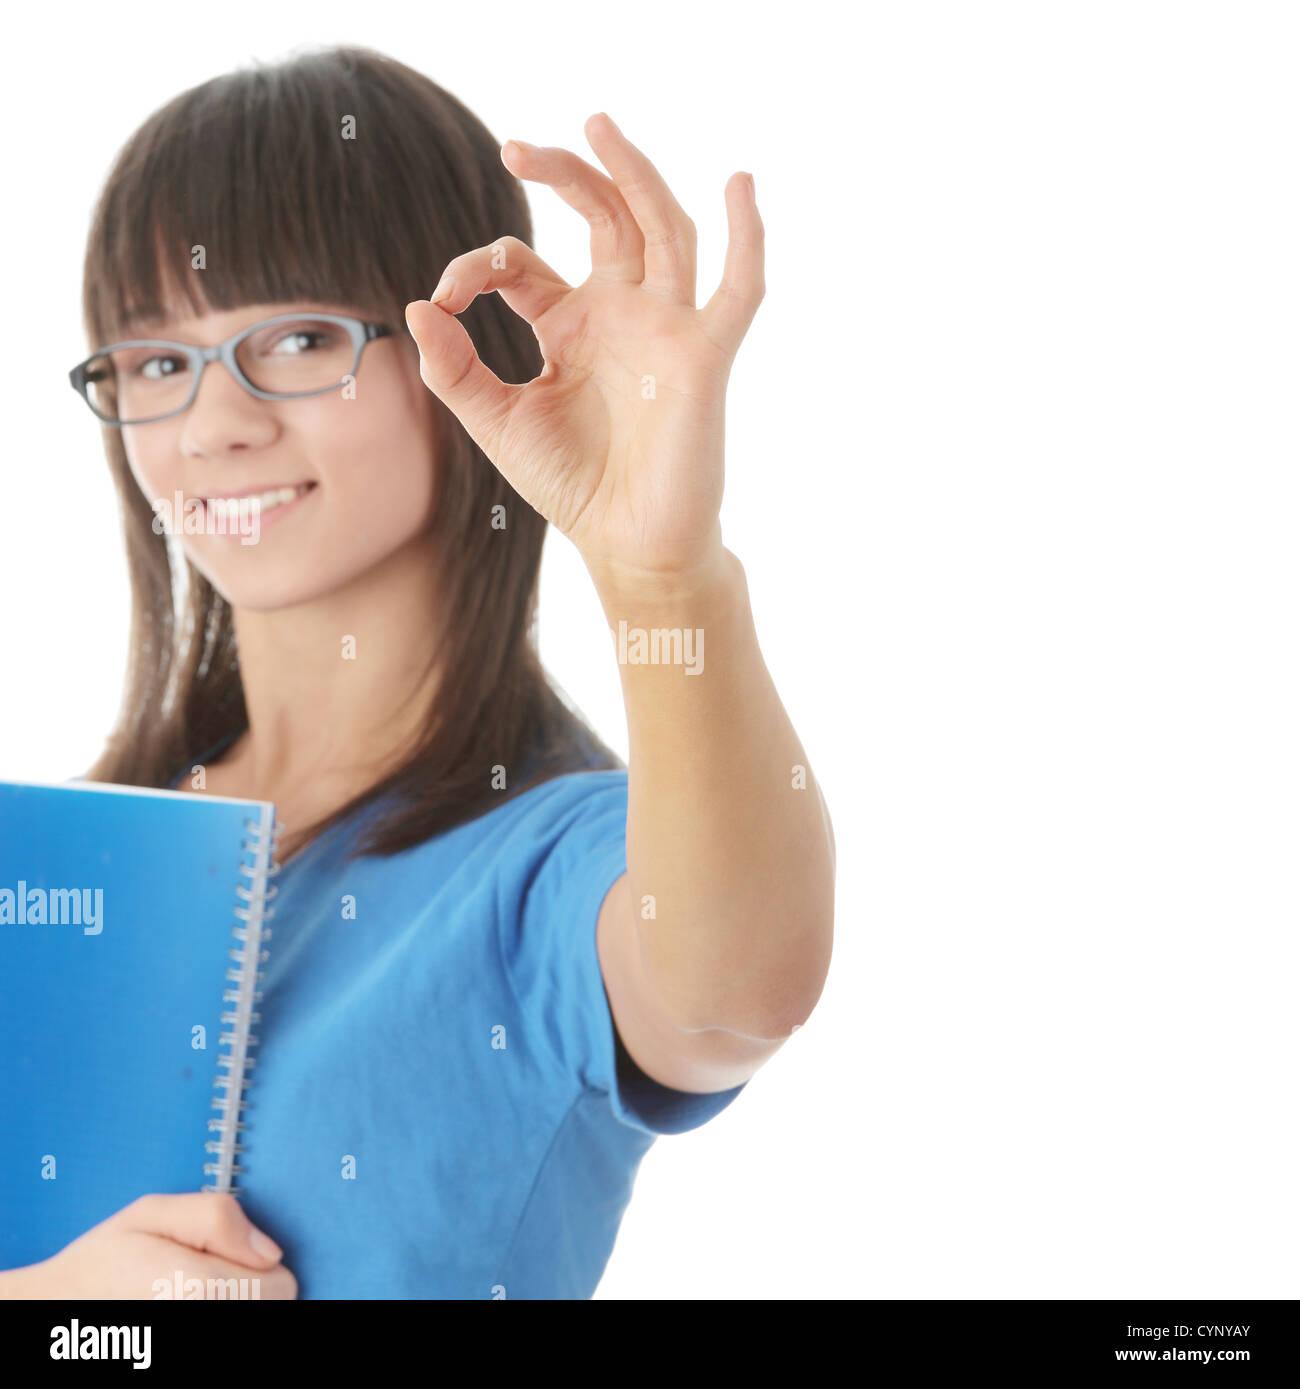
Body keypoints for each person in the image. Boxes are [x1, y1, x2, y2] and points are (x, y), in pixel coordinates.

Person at [0, 45, 835, 1299]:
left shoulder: (553, 866)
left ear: (469, 350)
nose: (213, 426)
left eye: (294, 338)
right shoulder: (54, 858)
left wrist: (665, 581)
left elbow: (736, 993)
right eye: (159, 361)